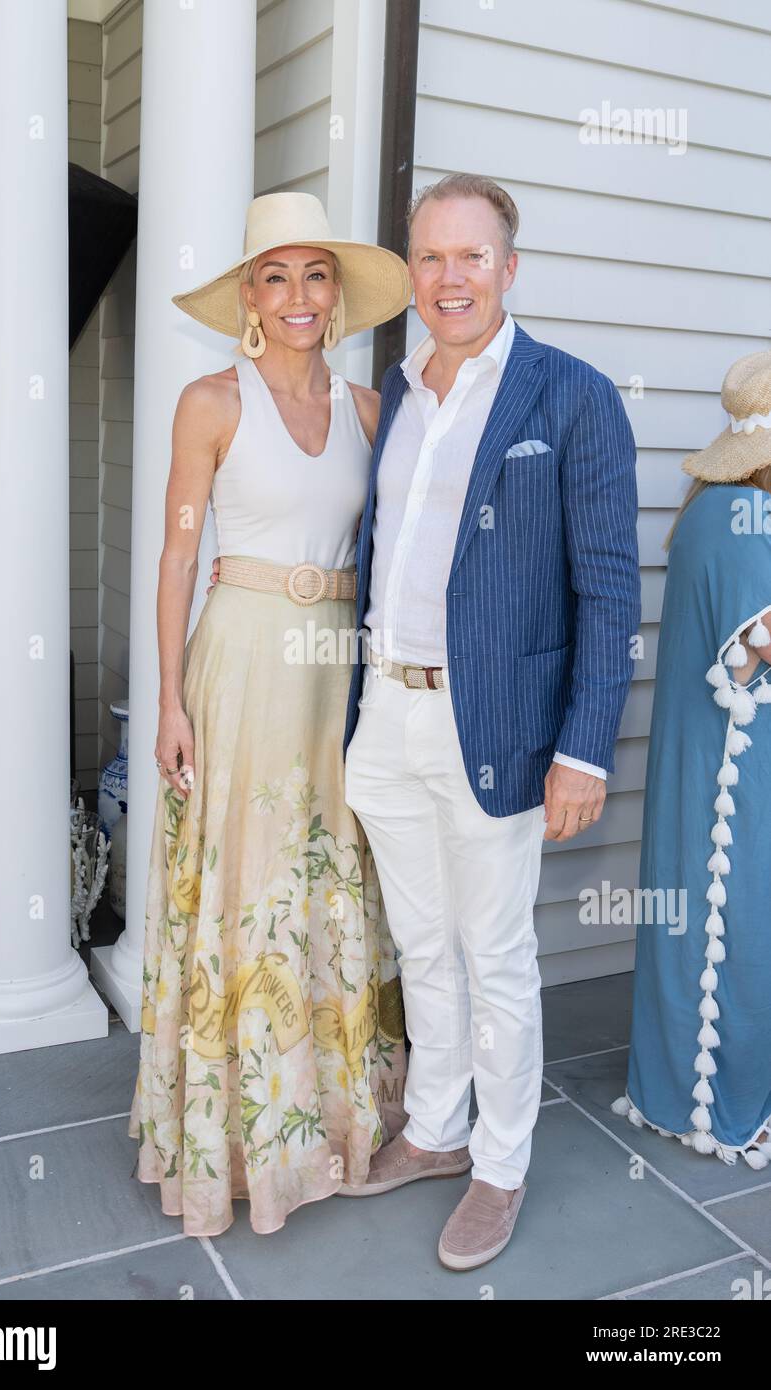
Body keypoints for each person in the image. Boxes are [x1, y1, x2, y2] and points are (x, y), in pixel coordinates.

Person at [337, 173, 642, 1271]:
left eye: (471, 256)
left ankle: (500, 1166)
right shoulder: (398, 390)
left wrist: (579, 748)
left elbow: (608, 588)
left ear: (508, 268)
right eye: (430, 258)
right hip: (383, 714)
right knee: (420, 939)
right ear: (410, 273)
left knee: (495, 952)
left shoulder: (569, 396)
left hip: (500, 727)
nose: (449, 277)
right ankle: (434, 1126)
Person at [127, 191, 411, 1237]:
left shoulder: (369, 413)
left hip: (332, 670)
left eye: (316, 274)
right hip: (239, 664)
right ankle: (234, 1142)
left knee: (329, 880)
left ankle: (327, 1121)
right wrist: (166, 700)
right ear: (249, 294)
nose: (297, 295)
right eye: (276, 276)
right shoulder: (210, 401)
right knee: (242, 885)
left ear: (336, 294)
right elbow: (174, 556)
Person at [612, 350, 771, 1169]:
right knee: (738, 918)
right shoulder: (749, 525)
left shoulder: (710, 508)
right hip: (735, 770)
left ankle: (674, 1088)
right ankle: (726, 1100)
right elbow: (747, 661)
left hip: (701, 754)